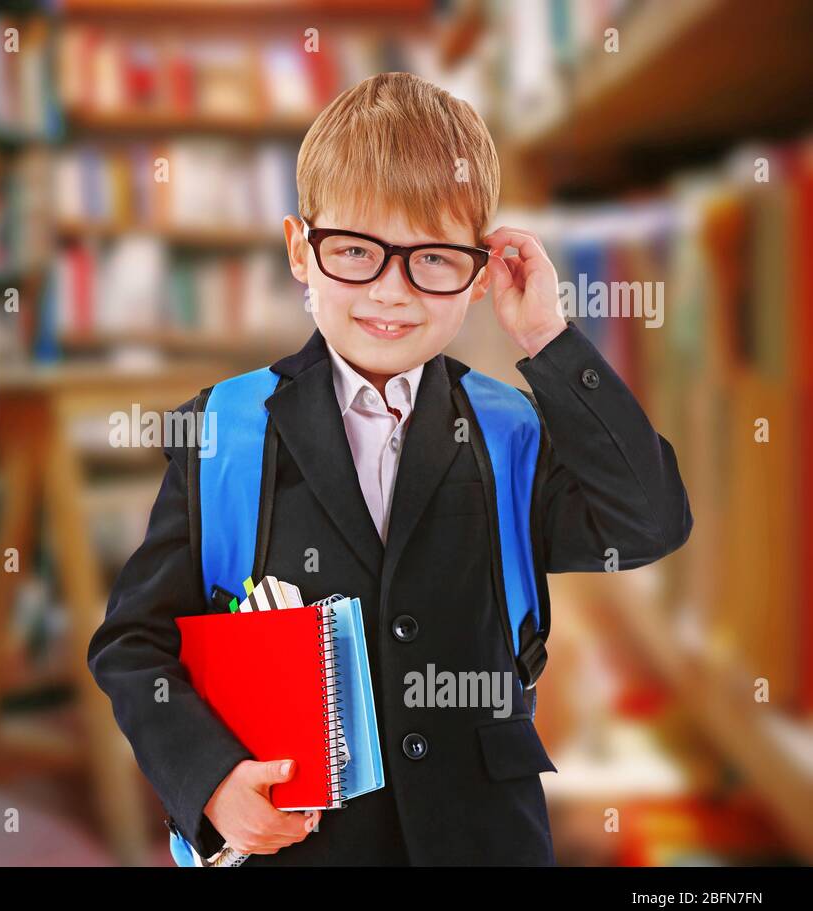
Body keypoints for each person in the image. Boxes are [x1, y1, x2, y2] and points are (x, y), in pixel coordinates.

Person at [87, 72, 692, 865]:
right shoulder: (225, 430)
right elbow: (133, 643)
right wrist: (209, 781)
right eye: (355, 252)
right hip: (305, 844)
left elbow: (648, 522)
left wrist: (548, 337)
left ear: (478, 275)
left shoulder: (506, 429)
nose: (391, 291)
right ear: (301, 252)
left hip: (487, 840)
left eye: (432, 260)